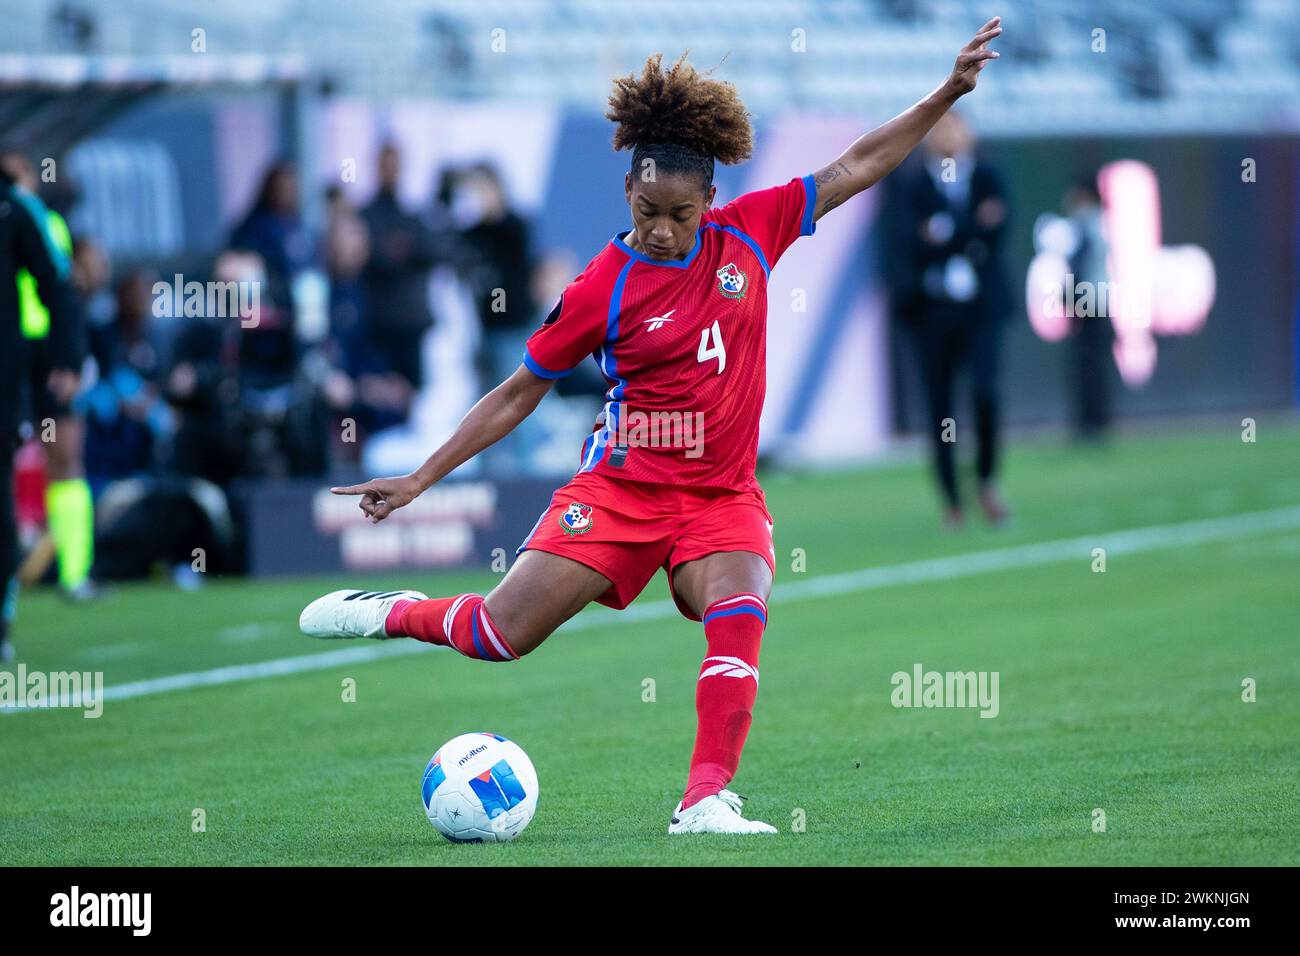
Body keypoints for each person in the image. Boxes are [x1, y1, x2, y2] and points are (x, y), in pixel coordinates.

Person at [300, 21, 1002, 833]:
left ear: (710, 201)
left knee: (740, 615)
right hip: (622, 489)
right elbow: (517, 392)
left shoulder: (753, 230)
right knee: (500, 633)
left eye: (678, 213)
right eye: (646, 210)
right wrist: (421, 478)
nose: (662, 229)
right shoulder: (603, 285)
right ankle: (388, 612)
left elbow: (857, 165)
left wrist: (945, 93)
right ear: (627, 193)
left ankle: (703, 799)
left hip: (721, 498)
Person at [884, 111, 1011, 528]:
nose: (948, 133)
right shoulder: (913, 185)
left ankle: (987, 480)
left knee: (986, 393)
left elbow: (999, 230)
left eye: (956, 124)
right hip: (933, 311)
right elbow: (905, 242)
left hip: (980, 309)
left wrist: (943, 233)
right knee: (941, 409)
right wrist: (970, 232)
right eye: (940, 126)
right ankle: (951, 499)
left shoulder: (989, 178)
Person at [0, 153, 86, 659]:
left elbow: (60, 285)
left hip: (26, 367)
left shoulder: (21, 212)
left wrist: (67, 356)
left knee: (63, 460)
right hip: (29, 363)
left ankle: (72, 572)